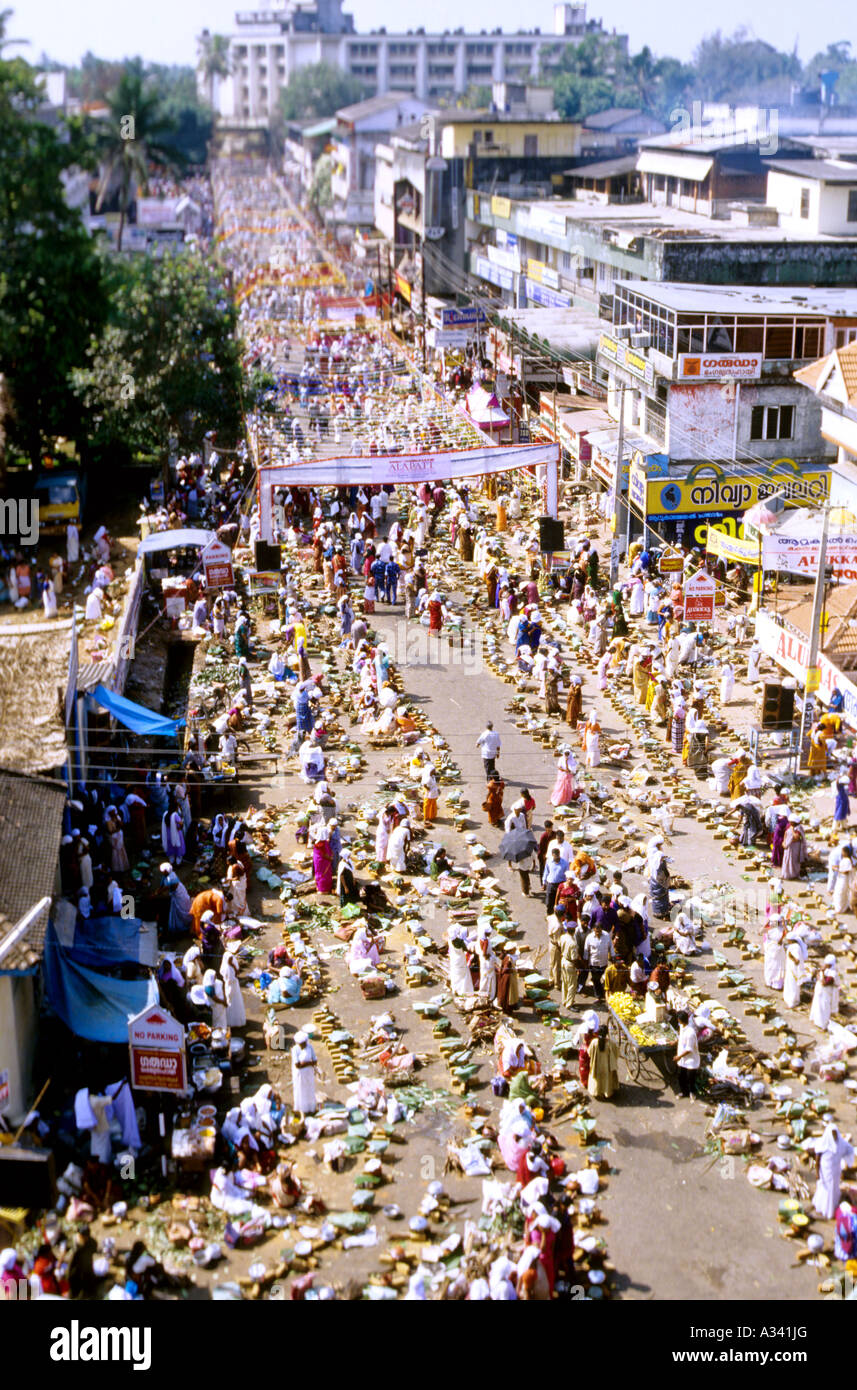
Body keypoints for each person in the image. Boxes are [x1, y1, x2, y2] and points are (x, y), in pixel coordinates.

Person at [813, 1124, 855, 1219]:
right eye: (832, 1134)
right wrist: (817, 1173)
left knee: (833, 1189)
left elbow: (849, 1149)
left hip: (835, 1171)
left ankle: (831, 1207)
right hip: (825, 1171)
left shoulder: (841, 1144)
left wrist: (851, 1154)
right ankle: (824, 1209)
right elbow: (817, 1160)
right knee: (826, 1189)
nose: (834, 1136)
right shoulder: (823, 1144)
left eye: (835, 1133)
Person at [587, 1025, 619, 1099]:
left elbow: (589, 1053)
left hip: (596, 1066)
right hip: (607, 1067)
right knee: (607, 1079)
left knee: (597, 1079)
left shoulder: (594, 1042)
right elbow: (616, 1055)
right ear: (607, 1033)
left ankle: (597, 1092)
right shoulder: (611, 1044)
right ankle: (607, 1092)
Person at [291, 1031, 318, 1116]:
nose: (303, 1045)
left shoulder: (310, 1047)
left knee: (309, 1090)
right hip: (299, 1075)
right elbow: (297, 1065)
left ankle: (310, 1108)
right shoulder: (295, 1049)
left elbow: (315, 1060)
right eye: (301, 1044)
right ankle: (301, 1110)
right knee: (300, 1091)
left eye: (304, 1043)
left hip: (308, 1074)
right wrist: (309, 1063)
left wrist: (305, 1063)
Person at [810, 955, 839, 1030]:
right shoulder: (826, 970)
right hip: (820, 992)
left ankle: (823, 1024)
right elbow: (818, 976)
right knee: (818, 1006)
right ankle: (817, 1021)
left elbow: (824, 983)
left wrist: (821, 973)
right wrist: (820, 973)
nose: (824, 965)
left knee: (824, 1008)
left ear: (830, 964)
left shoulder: (833, 974)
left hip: (826, 994)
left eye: (826, 964)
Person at [675, 1010, 700, 1100]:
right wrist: (674, 1042)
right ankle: (684, 1092)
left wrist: (679, 1057)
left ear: (680, 1020)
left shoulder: (690, 1033)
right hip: (682, 1059)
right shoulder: (682, 1027)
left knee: (690, 1078)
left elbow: (689, 1049)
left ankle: (692, 1093)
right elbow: (680, 1038)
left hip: (690, 1060)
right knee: (681, 1077)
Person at [583, 920, 610, 1000]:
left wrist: (613, 956)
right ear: (593, 929)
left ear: (602, 929)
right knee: (595, 979)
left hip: (603, 962)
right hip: (593, 963)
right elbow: (586, 950)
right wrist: (585, 961)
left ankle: (601, 991)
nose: (598, 933)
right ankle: (598, 995)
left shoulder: (606, 936)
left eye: (599, 931)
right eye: (596, 931)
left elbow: (610, 947)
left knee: (599, 978)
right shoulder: (589, 937)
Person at [833, 846, 854, 915]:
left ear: (846, 852)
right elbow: (842, 866)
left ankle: (841, 909)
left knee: (841, 893)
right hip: (840, 878)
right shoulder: (844, 859)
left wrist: (837, 870)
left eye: (842, 851)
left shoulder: (847, 860)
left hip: (844, 879)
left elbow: (846, 871)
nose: (841, 853)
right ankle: (839, 907)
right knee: (838, 893)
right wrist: (837, 866)